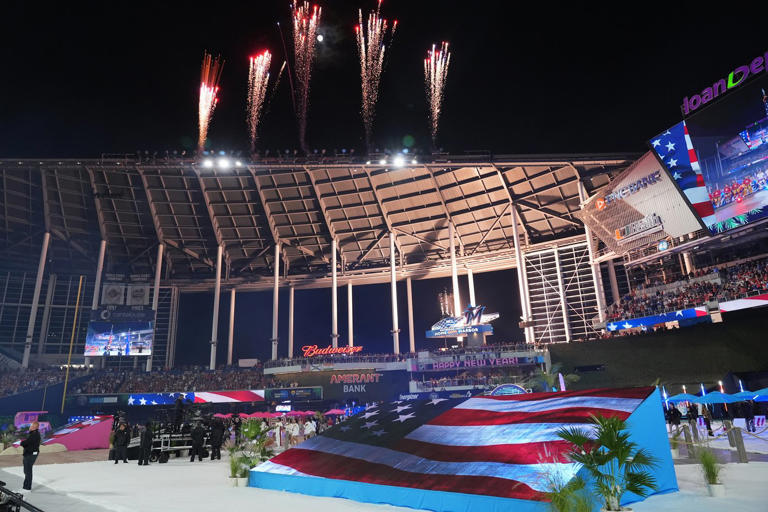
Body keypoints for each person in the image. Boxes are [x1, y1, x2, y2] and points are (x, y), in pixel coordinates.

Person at [20, 421, 41, 491]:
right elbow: (28, 443)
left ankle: (27, 488)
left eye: (31, 425)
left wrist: (22, 443)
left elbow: (26, 443)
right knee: (27, 470)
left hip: (30, 454)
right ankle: (26, 486)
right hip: (29, 453)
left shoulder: (34, 435)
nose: (30, 427)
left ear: (34, 427)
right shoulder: (33, 434)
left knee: (28, 471)